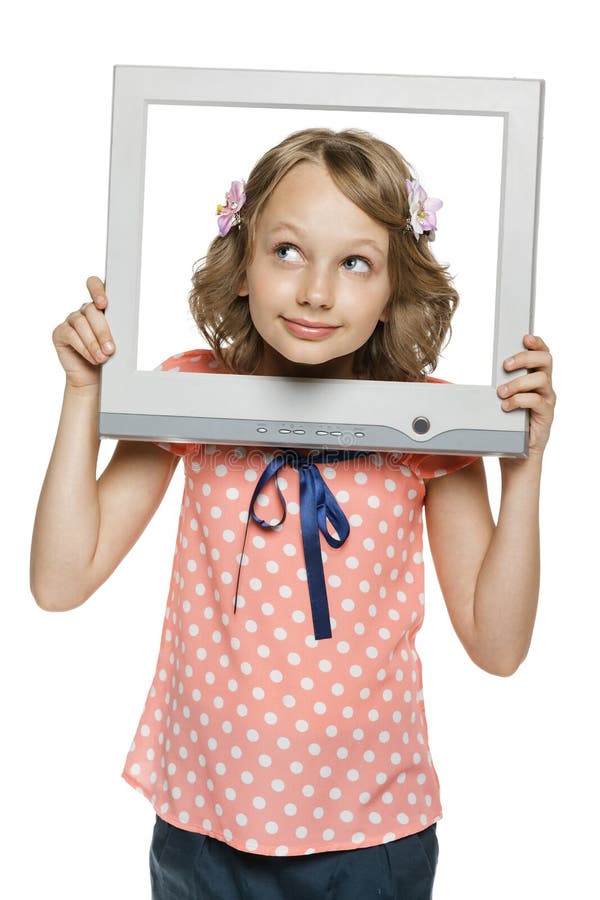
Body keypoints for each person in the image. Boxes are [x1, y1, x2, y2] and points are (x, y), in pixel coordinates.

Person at [30, 128, 556, 900]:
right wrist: (82, 397)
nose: (316, 290)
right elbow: (59, 578)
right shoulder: (196, 395)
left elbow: (498, 645)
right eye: (286, 251)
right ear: (243, 266)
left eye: (354, 263)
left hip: (371, 835)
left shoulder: (429, 427)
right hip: (202, 824)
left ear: (392, 291)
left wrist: (526, 463)